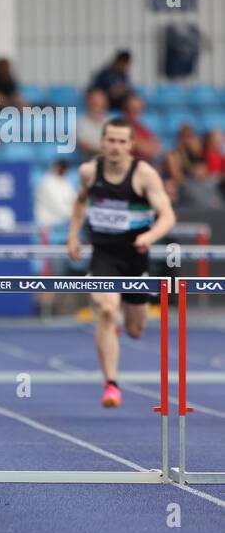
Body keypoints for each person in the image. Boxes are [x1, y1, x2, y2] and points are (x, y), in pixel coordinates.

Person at [66, 118, 175, 407]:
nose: (115, 147)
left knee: (135, 330)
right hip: (104, 254)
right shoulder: (89, 172)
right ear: (102, 142)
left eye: (121, 141)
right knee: (105, 309)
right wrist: (73, 236)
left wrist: (149, 236)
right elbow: (79, 202)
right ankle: (111, 384)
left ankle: (127, 321)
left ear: (131, 145)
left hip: (135, 255)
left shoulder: (144, 175)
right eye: (110, 140)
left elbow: (167, 215)